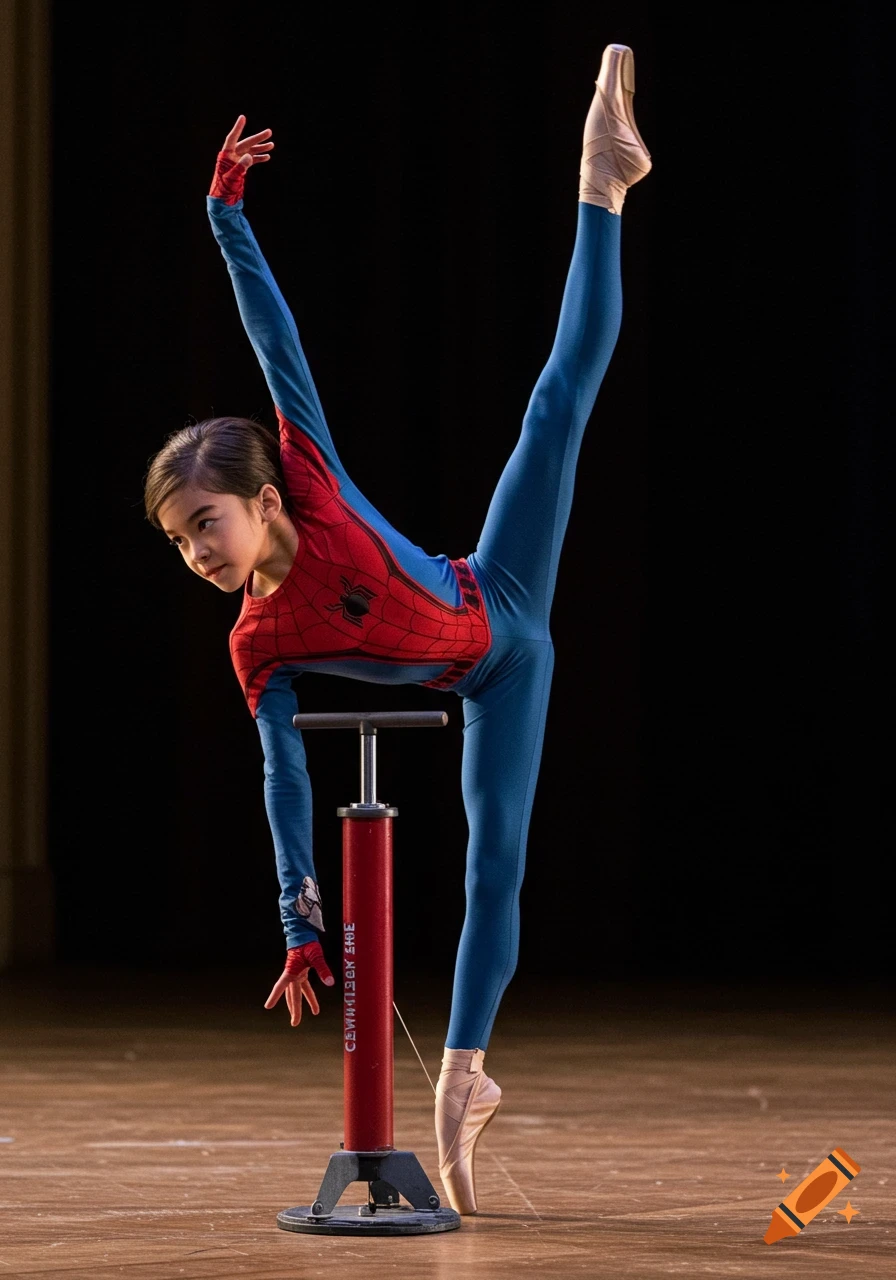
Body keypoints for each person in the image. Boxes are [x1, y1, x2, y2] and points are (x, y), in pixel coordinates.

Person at [143, 42, 650, 1215]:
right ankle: (464, 1077)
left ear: (262, 498)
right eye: (176, 541)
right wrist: (298, 918)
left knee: (554, 401)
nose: (197, 551)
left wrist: (225, 218)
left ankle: (602, 184)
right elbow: (282, 773)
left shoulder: (308, 476)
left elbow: (277, 342)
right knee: (491, 859)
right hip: (491, 678)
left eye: (204, 522)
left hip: (498, 589)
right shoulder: (254, 645)